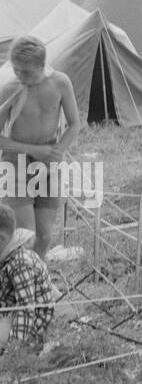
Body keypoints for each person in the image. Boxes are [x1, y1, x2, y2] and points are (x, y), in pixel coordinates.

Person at [0, 36, 80, 259]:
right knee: (27, 235)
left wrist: (59, 150)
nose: (20, 76)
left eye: (26, 72)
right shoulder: (11, 89)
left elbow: (75, 124)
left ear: (41, 66)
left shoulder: (60, 83)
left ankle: (38, 277)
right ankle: (19, 278)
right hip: (16, 162)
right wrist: (30, 150)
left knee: (44, 236)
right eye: (16, 70)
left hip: (49, 161)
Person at [0, 203, 55, 353]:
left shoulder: (20, 263)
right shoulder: (6, 253)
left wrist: (15, 349)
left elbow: (25, 309)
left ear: (2, 238)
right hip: (8, 311)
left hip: (31, 325)